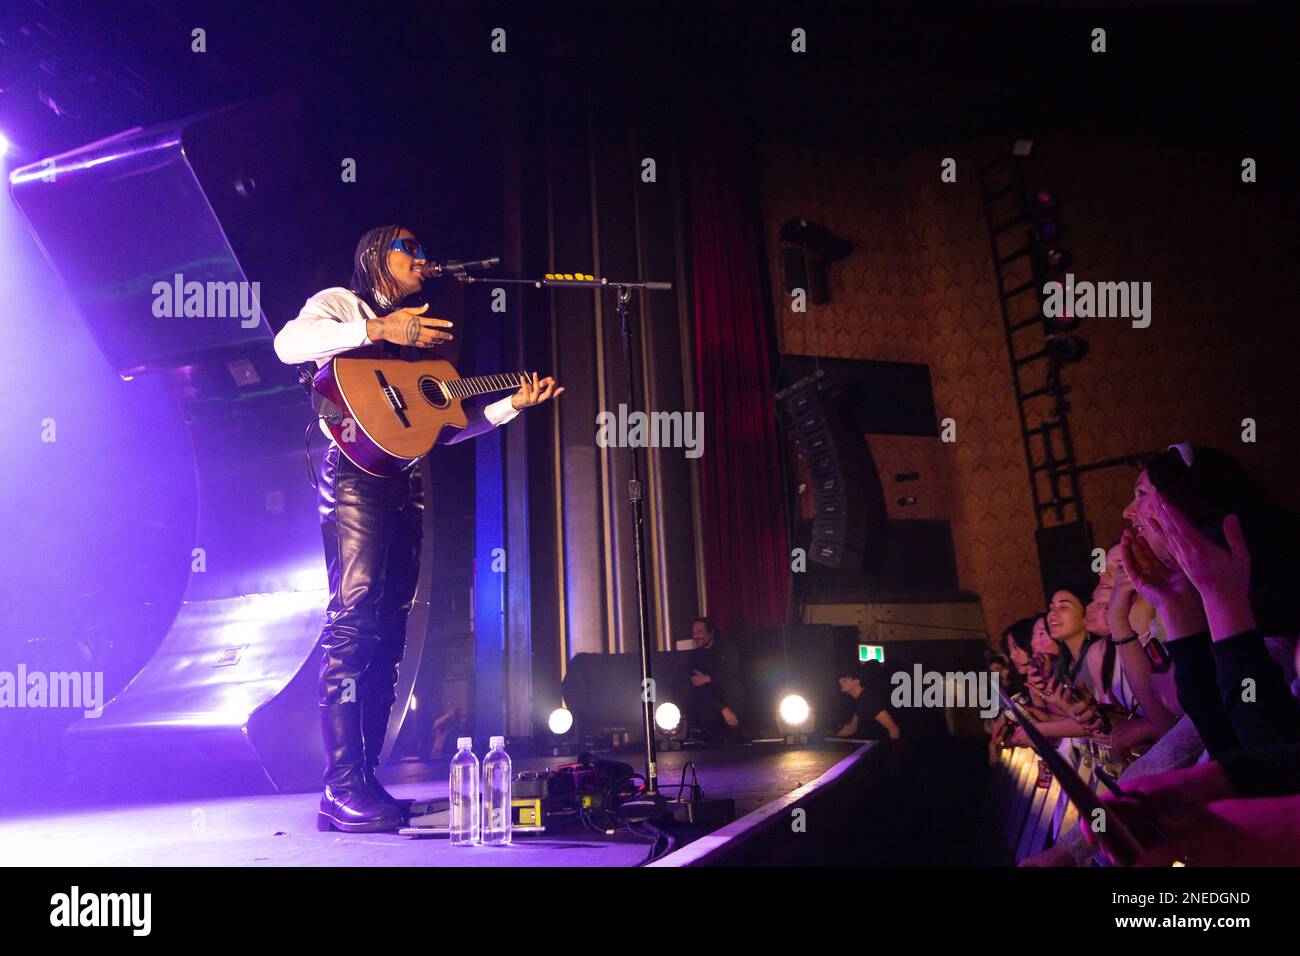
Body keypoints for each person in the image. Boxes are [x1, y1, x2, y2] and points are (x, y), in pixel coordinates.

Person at [274, 225, 564, 832]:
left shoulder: (421, 357)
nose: (425, 259)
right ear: (376, 256)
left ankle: (365, 780)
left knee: (390, 627)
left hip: (401, 480)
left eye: (427, 251)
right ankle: (339, 785)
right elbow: (287, 344)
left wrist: (513, 403)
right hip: (350, 470)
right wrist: (376, 329)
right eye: (412, 250)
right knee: (355, 618)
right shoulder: (339, 306)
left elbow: (445, 428)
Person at [680, 617, 743, 742]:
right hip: (710, 703)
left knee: (733, 688)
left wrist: (708, 677)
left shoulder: (726, 649)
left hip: (730, 699)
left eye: (699, 632)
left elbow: (732, 674)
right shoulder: (694, 657)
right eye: (693, 633)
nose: (695, 636)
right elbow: (700, 685)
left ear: (711, 633)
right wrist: (724, 709)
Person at [834, 661, 901, 740]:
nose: (840, 681)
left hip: (881, 749)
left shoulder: (869, 700)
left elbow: (893, 728)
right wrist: (830, 737)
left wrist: (895, 750)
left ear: (857, 681)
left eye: (845, 678)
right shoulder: (860, 700)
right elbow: (852, 727)